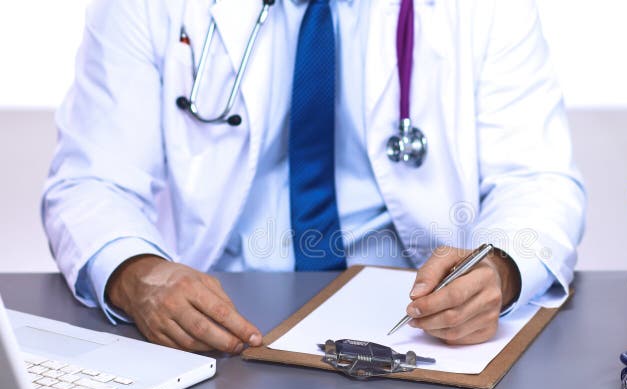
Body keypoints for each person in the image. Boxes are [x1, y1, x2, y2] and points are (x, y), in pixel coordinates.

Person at [42, 0, 585, 354]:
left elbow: (538, 180)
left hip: (417, 327)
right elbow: (91, 182)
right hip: (224, 323)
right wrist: (138, 273)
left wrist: (500, 268)